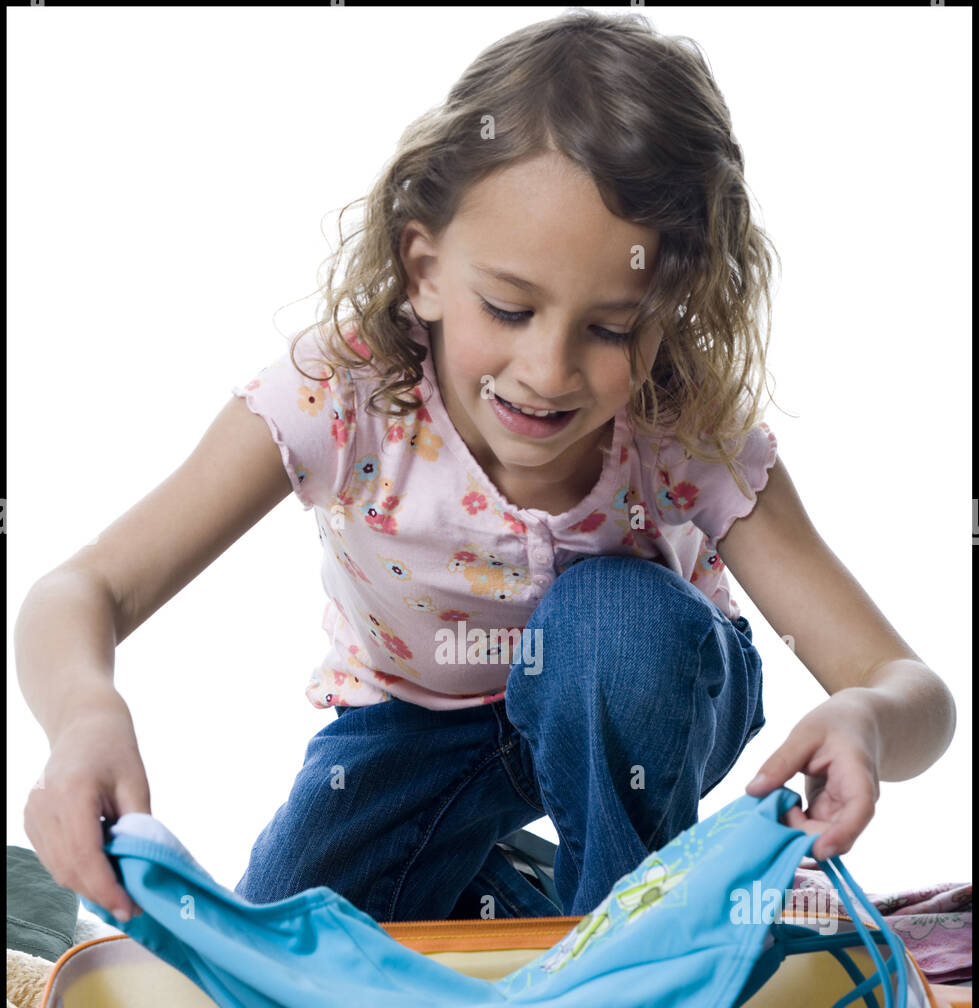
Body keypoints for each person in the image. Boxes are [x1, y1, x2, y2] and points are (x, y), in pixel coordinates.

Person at [15, 10, 955, 930]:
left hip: (633, 695)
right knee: (287, 945)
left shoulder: (685, 430)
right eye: (508, 308)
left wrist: (867, 719)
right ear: (420, 266)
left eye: (611, 327)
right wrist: (84, 716)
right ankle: (504, 892)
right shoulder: (336, 398)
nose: (548, 372)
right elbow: (83, 588)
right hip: (416, 724)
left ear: (672, 312)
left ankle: (630, 946)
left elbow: (908, 686)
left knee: (611, 629)